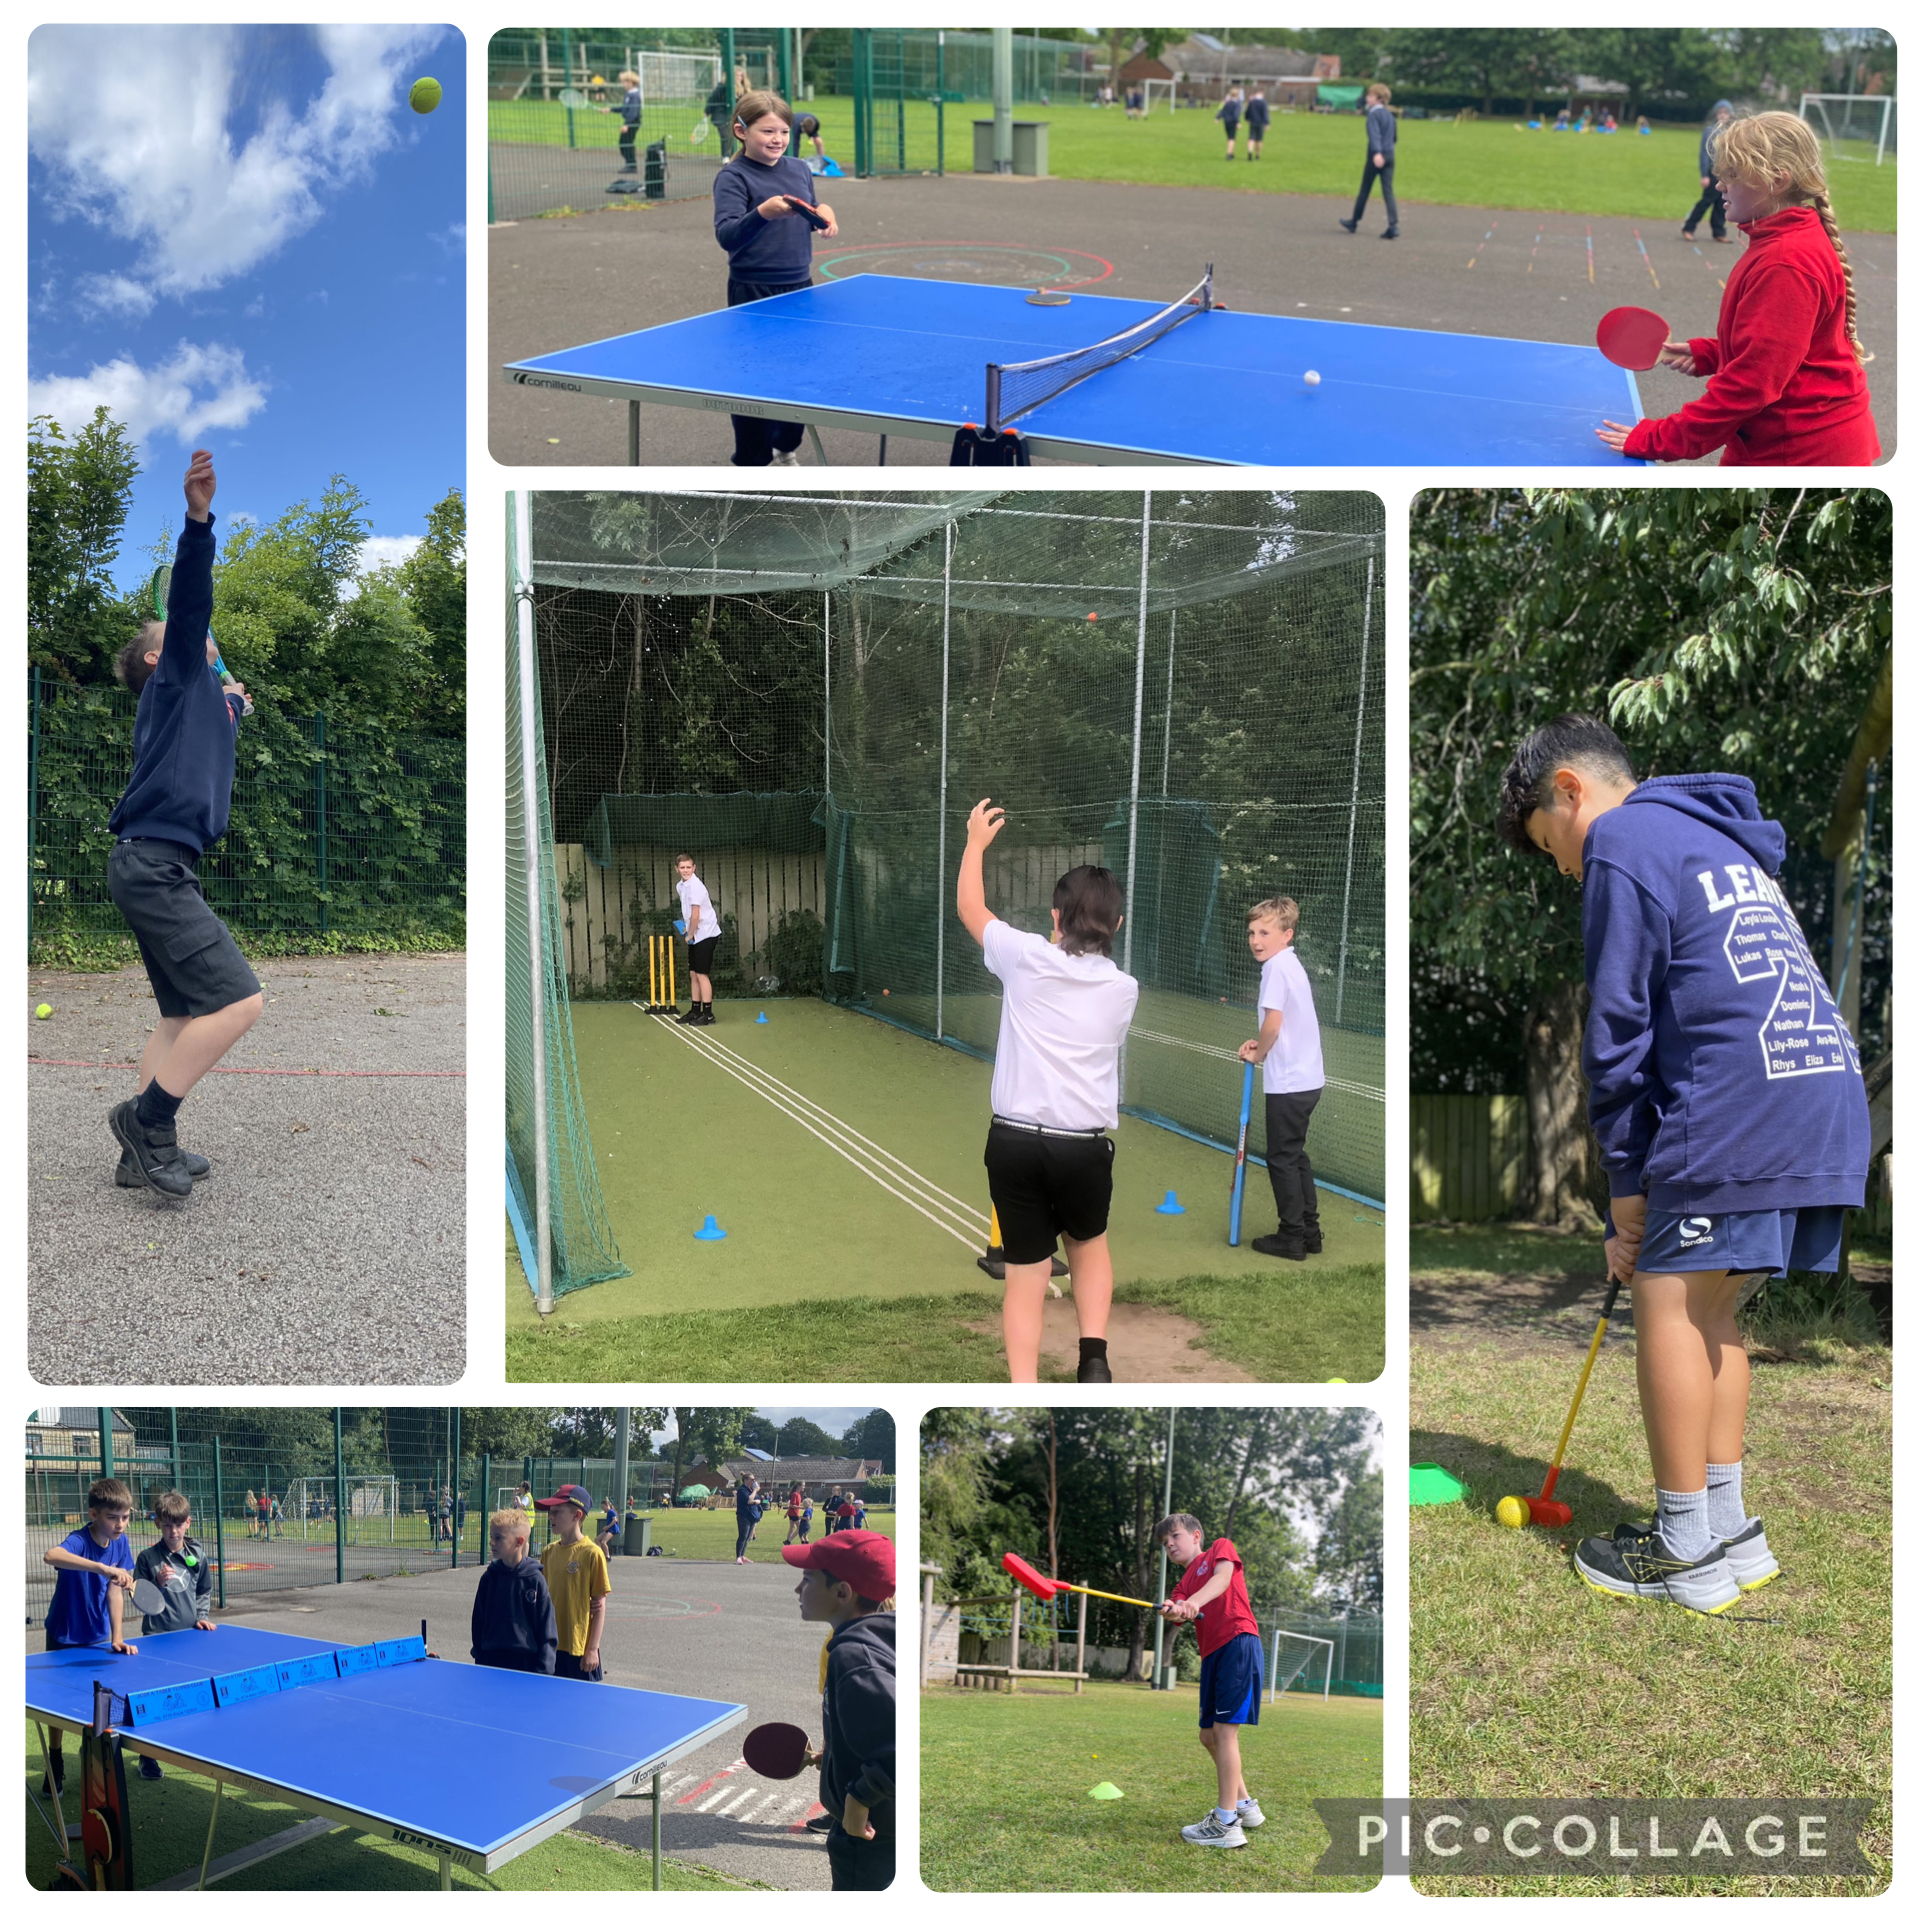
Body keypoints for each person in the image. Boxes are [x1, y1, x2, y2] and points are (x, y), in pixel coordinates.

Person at [1495, 715, 1870, 1611]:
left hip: (1745, 1101)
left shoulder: (1623, 840)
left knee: (1667, 1297)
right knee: (1713, 1304)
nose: (1569, 869)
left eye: (1555, 846)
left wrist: (1629, 1188)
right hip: (1815, 1092)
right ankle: (1729, 1530)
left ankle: (1680, 1549)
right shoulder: (1709, 836)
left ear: (1572, 791)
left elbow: (1618, 1034)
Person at [105, 448, 263, 1201]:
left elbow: (222, 712)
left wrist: (235, 701)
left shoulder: (199, 696)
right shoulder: (174, 679)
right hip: (155, 864)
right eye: (170, 626)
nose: (186, 624)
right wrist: (199, 520)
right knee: (239, 1002)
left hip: (152, 862)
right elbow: (192, 600)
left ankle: (137, 1155)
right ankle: (149, 1126)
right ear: (160, 654)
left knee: (179, 1015)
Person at [957, 798, 1140, 1384]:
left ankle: (1025, 1387)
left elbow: (971, 908)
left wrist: (976, 844)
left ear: (1055, 917)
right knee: (1088, 1247)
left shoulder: (1026, 957)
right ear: (1115, 926)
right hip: (1083, 1147)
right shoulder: (1124, 989)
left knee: (1027, 1274)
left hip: (1014, 1143)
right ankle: (1093, 1360)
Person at [1598, 112, 1878, 466]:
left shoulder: (1786, 263)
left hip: (1801, 451)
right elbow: (1788, 348)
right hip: (1790, 439)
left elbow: (1751, 385)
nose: (1720, 186)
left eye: (1732, 175)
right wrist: (1713, 353)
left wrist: (1660, 438)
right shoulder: (1787, 240)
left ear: (1776, 181)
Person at [710, 91, 838, 467]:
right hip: (752, 291)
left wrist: (824, 212)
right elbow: (727, 236)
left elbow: (811, 211)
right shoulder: (733, 177)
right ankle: (752, 460)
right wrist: (762, 213)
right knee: (753, 380)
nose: (777, 139)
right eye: (767, 131)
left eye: (783, 131)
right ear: (741, 131)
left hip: (800, 287)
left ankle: (785, 446)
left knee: (800, 374)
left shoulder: (798, 168)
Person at [784, 1530, 896, 1890]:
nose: (798, 1591)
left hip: (868, 1841)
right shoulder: (879, 1638)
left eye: (807, 1580)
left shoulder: (853, 1658)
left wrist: (859, 1797)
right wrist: (835, 1754)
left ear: (843, 1592)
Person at [1155, 1512, 1265, 1848]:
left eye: (1174, 1536)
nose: (1169, 1544)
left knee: (1223, 1732)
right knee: (1208, 1736)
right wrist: (1172, 1608)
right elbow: (1176, 1608)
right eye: (1164, 1543)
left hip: (1238, 1643)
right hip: (1213, 1655)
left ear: (1196, 1535)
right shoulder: (1181, 1585)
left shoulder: (1220, 1548)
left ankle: (1226, 1823)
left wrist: (1192, 1602)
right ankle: (1245, 1805)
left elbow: (1222, 1580)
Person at [40, 1478, 139, 1799]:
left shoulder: (121, 1544)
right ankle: (55, 1759)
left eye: (125, 1517)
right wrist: (99, 1566)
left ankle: (97, 1762)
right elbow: (51, 1555)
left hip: (97, 1637)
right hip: (65, 1634)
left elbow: (116, 1591)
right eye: (113, 1517)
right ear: (93, 1514)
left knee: (100, 1703)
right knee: (56, 1707)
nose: (120, 1524)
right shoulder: (80, 1540)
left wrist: (118, 1636)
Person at [1240, 897, 1325, 1261]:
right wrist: (1265, 1043)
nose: (1256, 940)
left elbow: (1273, 1022)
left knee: (1282, 1158)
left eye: (1265, 932)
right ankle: (1309, 1232)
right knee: (1295, 1155)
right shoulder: (1288, 964)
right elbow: (1282, 1023)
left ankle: (1291, 1238)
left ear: (1286, 935)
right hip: (1307, 1079)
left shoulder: (1277, 968)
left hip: (1290, 1082)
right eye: (1252, 932)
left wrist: (1259, 1054)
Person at [130, 1490, 217, 1777]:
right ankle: (147, 1756)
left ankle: (186, 1748)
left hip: (190, 1640)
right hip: (156, 1639)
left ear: (188, 1523)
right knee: (153, 1699)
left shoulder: (197, 1555)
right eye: (167, 1525)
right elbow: (136, 1596)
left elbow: (204, 1590)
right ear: (157, 1524)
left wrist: (202, 1616)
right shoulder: (148, 1557)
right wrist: (154, 1581)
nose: (173, 1531)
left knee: (188, 1696)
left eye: (178, 1524)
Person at [537, 1483, 612, 1679]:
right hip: (551, 1644)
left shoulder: (592, 1553)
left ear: (576, 1516)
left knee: (581, 1706)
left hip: (578, 1648)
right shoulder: (549, 1552)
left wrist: (592, 1649)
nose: (550, 1517)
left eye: (556, 1512)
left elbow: (599, 1604)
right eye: (549, 1512)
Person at [471, 1509, 558, 1674]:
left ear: (519, 1541)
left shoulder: (535, 1579)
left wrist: (545, 1670)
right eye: (491, 1537)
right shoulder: (489, 1578)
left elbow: (547, 1628)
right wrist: (480, 1656)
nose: (492, 1542)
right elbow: (478, 1622)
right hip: (491, 1662)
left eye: (498, 1538)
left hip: (526, 1665)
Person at [1338, 83, 1398, 238]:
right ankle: (1393, 225)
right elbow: (1394, 137)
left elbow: (1374, 135)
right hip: (1390, 155)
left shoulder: (1373, 114)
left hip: (1376, 156)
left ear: (1379, 99)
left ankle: (1354, 221)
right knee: (1388, 191)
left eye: (1370, 96)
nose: (1367, 98)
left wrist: (1377, 152)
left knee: (1365, 189)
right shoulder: (1390, 115)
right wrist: (1387, 150)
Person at [674, 852, 722, 1024]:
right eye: (682, 867)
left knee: (702, 974)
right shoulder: (681, 886)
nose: (686, 870)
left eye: (689, 867)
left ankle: (708, 1014)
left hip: (706, 934)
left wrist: (690, 934)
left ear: (694, 868)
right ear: (677, 869)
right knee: (693, 974)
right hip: (695, 933)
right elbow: (688, 913)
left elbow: (696, 915)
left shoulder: (696, 886)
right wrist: (688, 929)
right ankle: (695, 1011)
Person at [1682, 101, 1735, 243]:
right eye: (1720, 112)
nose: (1723, 115)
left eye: (1726, 113)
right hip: (1713, 173)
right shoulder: (1710, 131)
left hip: (1727, 174)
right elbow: (1704, 154)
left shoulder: (1732, 131)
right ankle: (1688, 227)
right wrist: (1704, 175)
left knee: (1721, 203)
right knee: (1706, 201)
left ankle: (1719, 231)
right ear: (1716, 114)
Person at [735, 1475, 760, 1563]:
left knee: (748, 1537)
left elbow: (758, 1500)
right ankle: (738, 1557)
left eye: (754, 1479)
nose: (753, 1481)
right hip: (743, 1516)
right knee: (743, 1536)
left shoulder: (750, 1490)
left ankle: (742, 1556)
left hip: (751, 1516)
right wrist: (755, 1490)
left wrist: (755, 1497)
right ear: (745, 1480)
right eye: (751, 1479)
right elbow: (749, 1500)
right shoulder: (742, 1490)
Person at [1215, 85, 1243, 159]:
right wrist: (1238, 122)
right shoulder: (1237, 104)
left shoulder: (1227, 102)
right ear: (1237, 95)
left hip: (1226, 121)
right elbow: (1236, 114)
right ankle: (1229, 154)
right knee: (1232, 138)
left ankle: (1232, 153)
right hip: (1233, 122)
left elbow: (1222, 110)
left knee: (1229, 138)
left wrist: (1217, 118)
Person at [1244, 86, 1269, 160]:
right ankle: (1257, 154)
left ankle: (1250, 151)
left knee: (1251, 138)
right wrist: (1267, 123)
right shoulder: (1263, 103)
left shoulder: (1252, 102)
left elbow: (1247, 111)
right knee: (1259, 139)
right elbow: (1265, 113)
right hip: (1260, 122)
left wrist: (1247, 118)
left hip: (1253, 121)